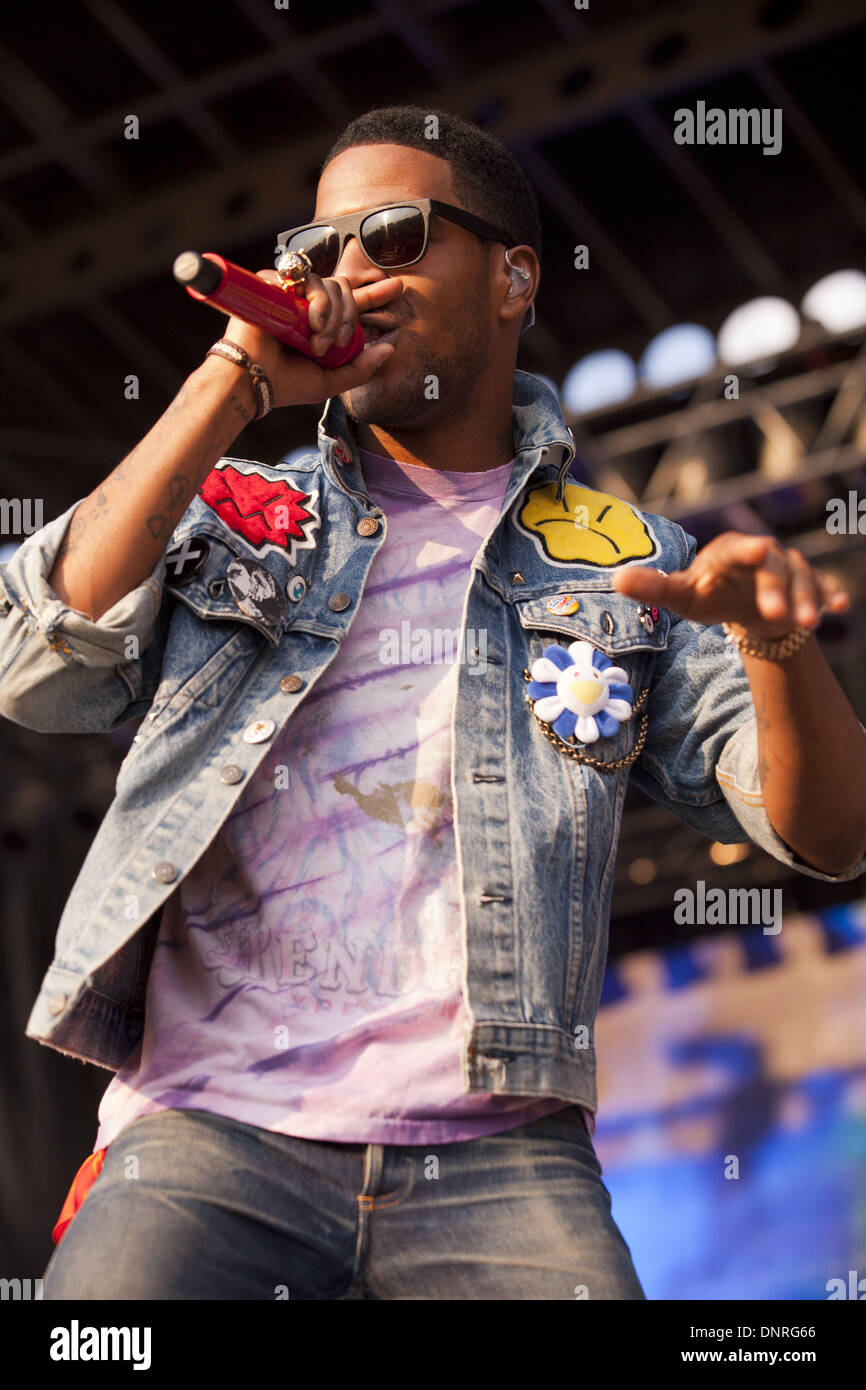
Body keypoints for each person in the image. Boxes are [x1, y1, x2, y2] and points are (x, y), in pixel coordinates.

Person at [1, 105, 864, 1302]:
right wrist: (234, 379)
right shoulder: (242, 510)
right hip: (205, 1132)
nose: (348, 274)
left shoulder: (625, 558)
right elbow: (34, 666)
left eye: (393, 236)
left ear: (512, 277)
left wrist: (773, 643)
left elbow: (825, 833)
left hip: (499, 1152)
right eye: (320, 249)